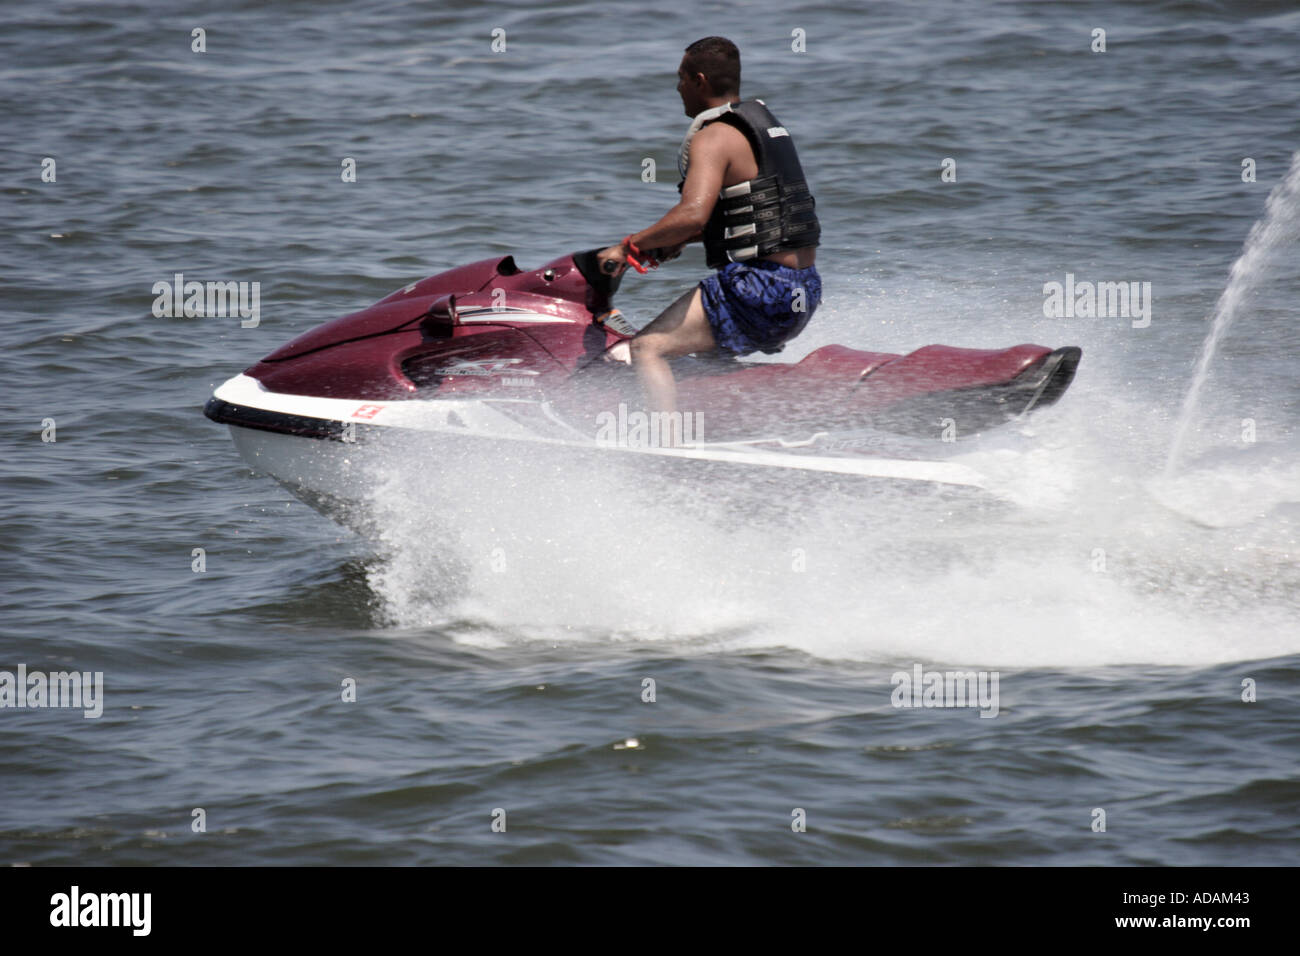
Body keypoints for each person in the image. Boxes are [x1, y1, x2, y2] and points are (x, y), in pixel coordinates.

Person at [598, 36, 822, 437]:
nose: (678, 88)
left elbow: (691, 214)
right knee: (698, 354)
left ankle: (664, 449)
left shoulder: (714, 136)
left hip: (759, 289)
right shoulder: (765, 128)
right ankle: (728, 429)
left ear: (698, 80)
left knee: (646, 348)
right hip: (802, 289)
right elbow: (749, 218)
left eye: (680, 79)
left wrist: (628, 246)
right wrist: (673, 242)